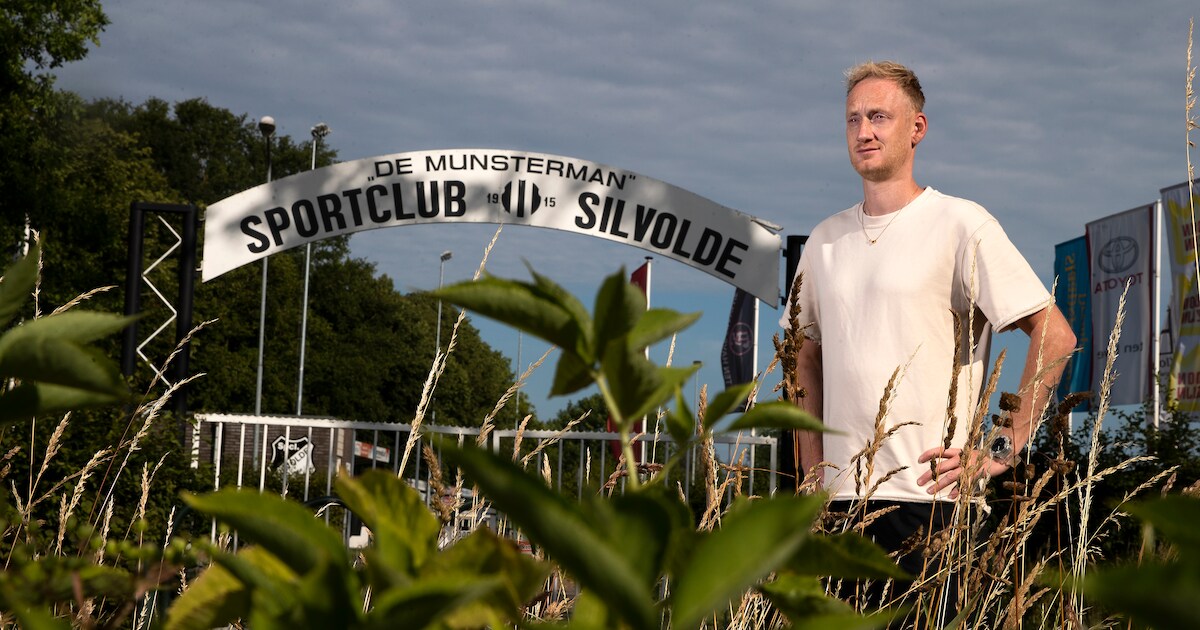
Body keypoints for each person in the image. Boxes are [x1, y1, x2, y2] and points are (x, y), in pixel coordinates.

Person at [782, 61, 1077, 609]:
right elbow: (801, 357)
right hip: (840, 504)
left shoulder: (962, 224)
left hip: (930, 502)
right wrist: (811, 476)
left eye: (878, 117)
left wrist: (998, 448)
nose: (863, 132)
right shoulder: (823, 240)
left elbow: (1054, 334)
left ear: (916, 128)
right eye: (852, 120)